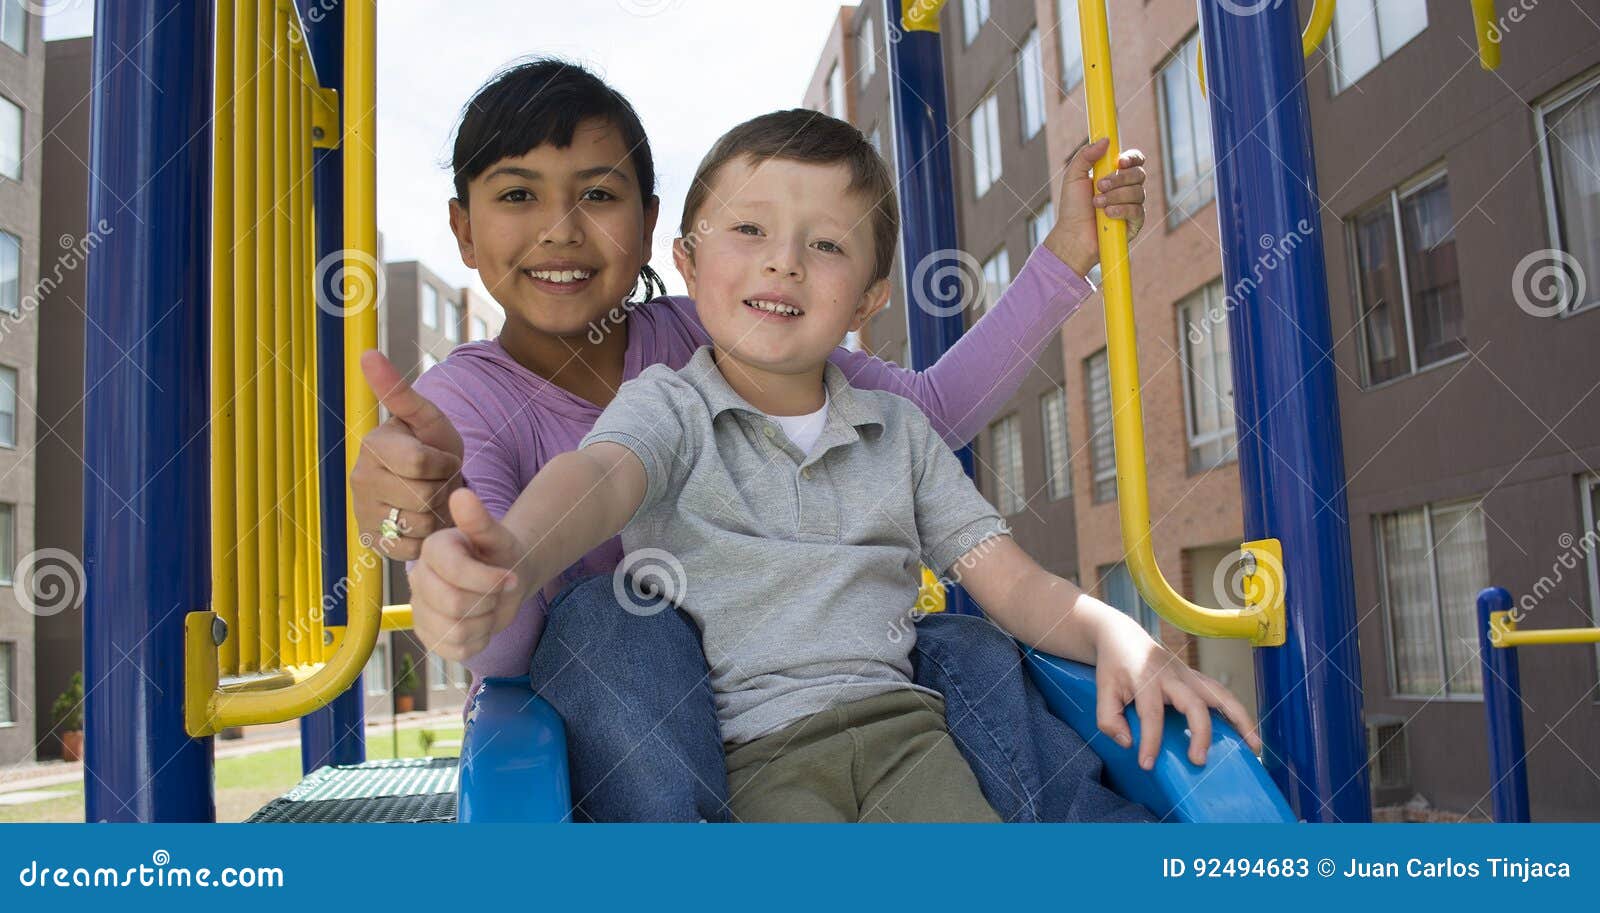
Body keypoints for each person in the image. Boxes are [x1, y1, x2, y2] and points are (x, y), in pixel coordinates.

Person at [352, 58, 1176, 821]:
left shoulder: (729, 322)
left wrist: (1069, 254)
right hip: (634, 725)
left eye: (597, 196)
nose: (560, 229)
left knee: (958, 638)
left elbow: (930, 413)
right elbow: (587, 492)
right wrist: (462, 550)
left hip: (850, 703)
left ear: (649, 232)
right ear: (463, 230)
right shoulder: (501, 402)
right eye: (518, 195)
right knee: (608, 616)